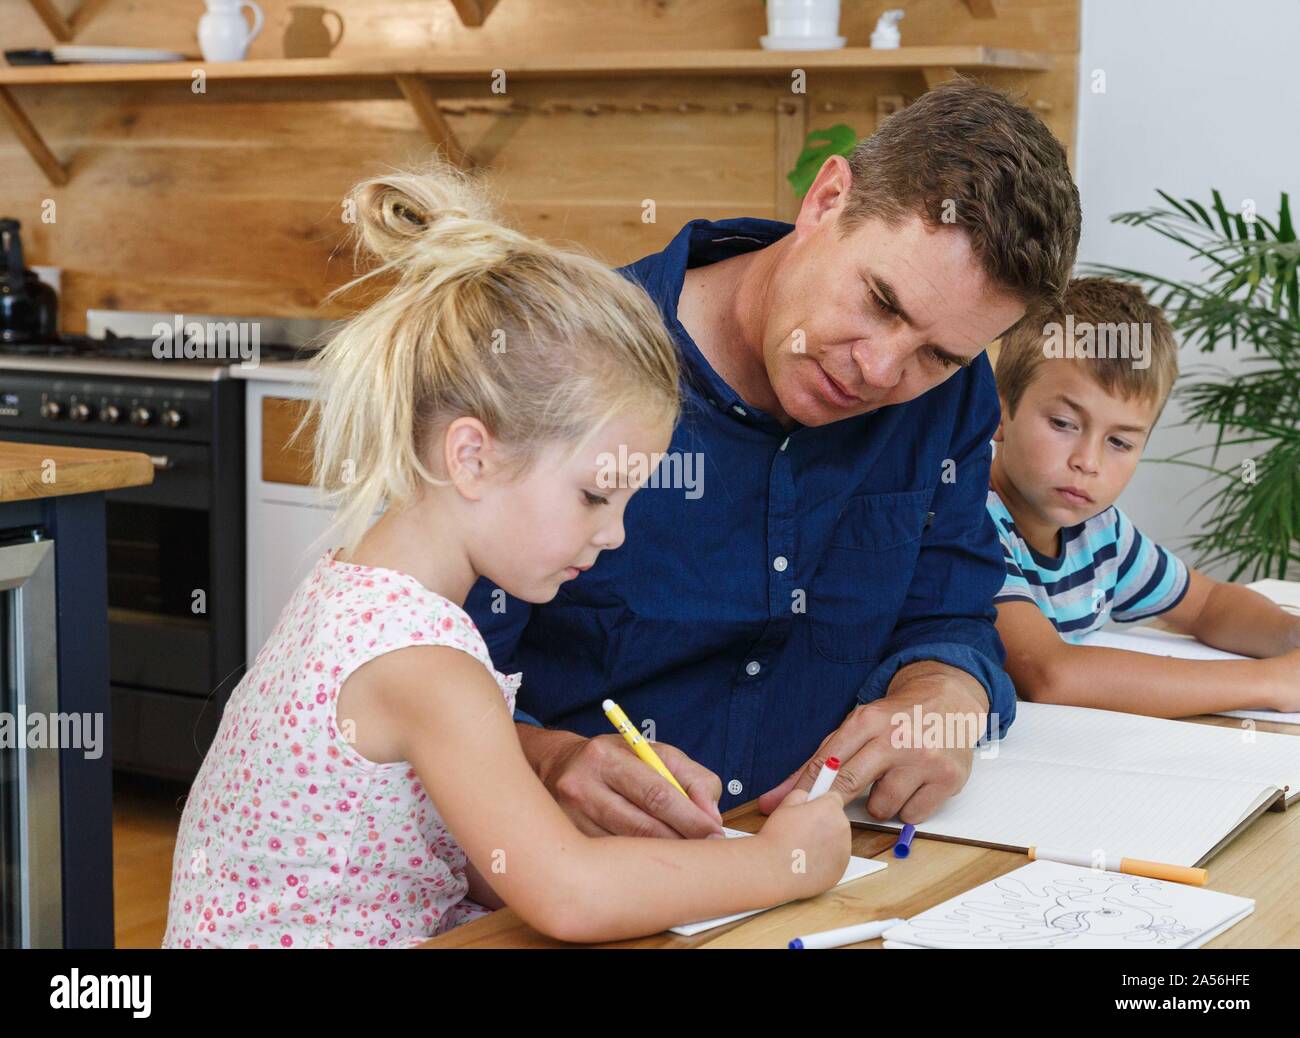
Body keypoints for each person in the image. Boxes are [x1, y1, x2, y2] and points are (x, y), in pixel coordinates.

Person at [162, 162, 850, 948]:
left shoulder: (353, 593)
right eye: (596, 495)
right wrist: (788, 862)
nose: (615, 533)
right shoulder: (424, 664)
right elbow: (571, 897)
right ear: (472, 458)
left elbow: (478, 862)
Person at [466, 78, 1083, 835]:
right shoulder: (553, 367)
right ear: (826, 200)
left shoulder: (950, 401)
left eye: (940, 355)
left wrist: (948, 699)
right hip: (559, 879)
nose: (882, 372)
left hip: (833, 870)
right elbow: (424, 679)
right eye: (883, 303)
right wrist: (550, 759)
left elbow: (950, 610)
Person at [989, 276, 1300, 716]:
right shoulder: (970, 522)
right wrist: (1275, 683)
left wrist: (1291, 636)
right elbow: (1049, 673)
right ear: (997, 415)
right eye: (1062, 423)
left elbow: (1208, 605)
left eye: (1119, 442)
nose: (1088, 461)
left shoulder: (1100, 533)